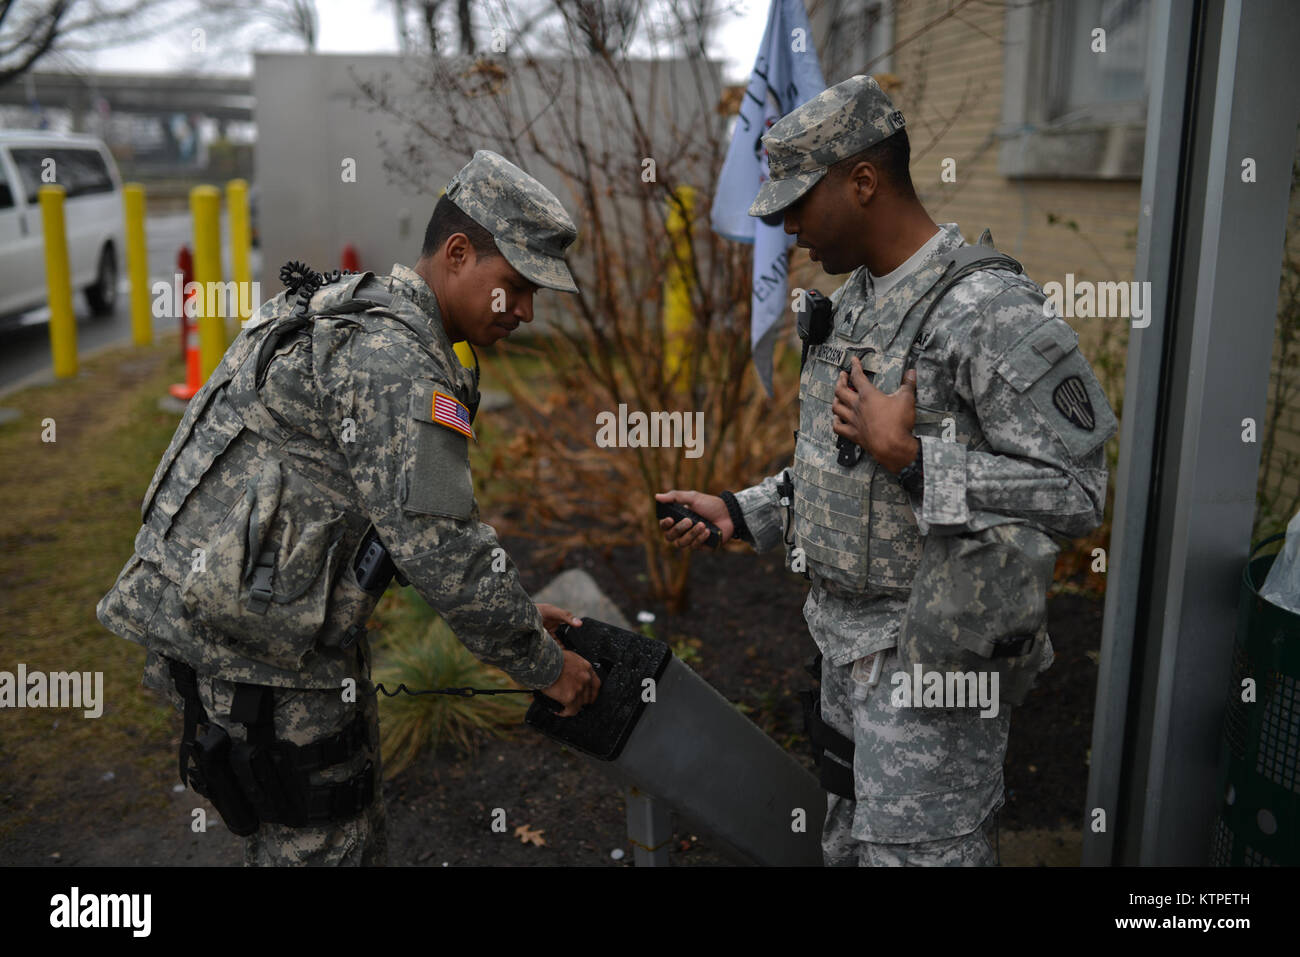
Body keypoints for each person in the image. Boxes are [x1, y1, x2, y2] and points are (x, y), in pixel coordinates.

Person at [657, 75, 1117, 866]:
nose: (791, 228)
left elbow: (1078, 492)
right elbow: (839, 469)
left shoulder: (988, 310)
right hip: (843, 656)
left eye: (800, 204)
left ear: (862, 181)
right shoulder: (862, 300)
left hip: (933, 675)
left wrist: (914, 459)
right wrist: (746, 509)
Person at [97, 149, 601, 866]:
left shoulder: (347, 306)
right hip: (265, 660)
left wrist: (519, 612)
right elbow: (446, 552)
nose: (524, 310)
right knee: (325, 841)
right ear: (459, 253)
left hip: (238, 633)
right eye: (516, 286)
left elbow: (420, 530)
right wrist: (544, 662)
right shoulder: (394, 360)